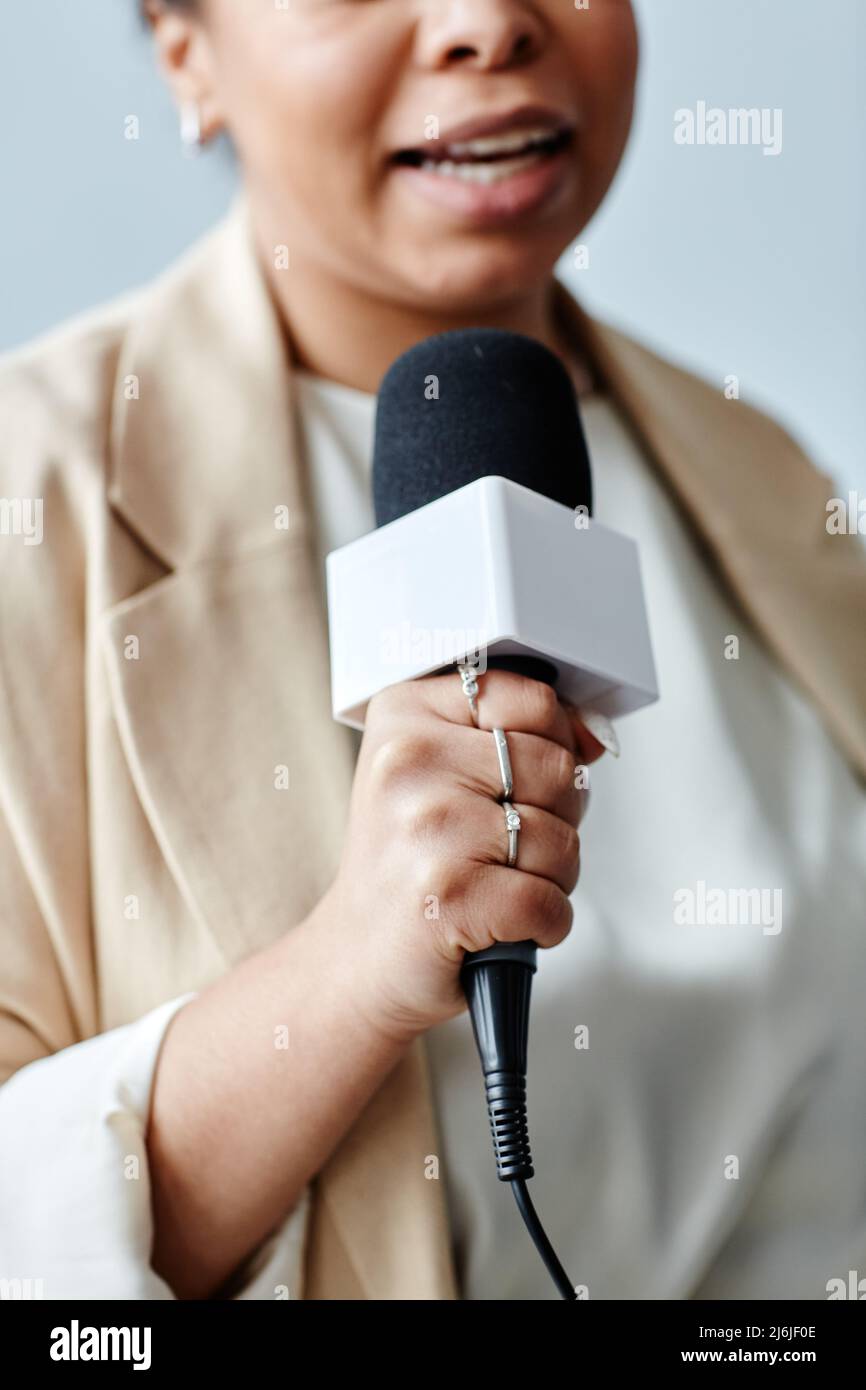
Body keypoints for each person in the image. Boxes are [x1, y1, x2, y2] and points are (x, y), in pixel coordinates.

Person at [0, 0, 863, 1302]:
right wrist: (346, 973)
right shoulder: (31, 502)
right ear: (186, 52)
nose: (484, 22)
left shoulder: (763, 470)